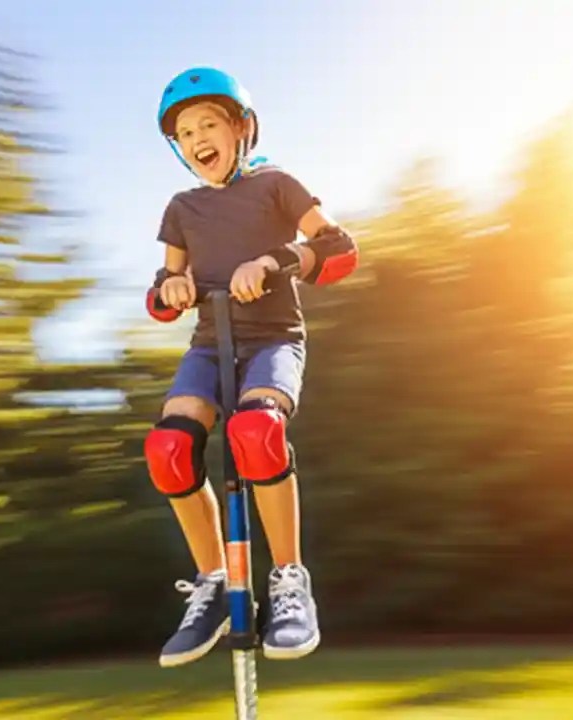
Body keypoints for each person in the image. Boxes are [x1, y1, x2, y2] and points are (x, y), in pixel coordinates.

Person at [142, 67, 358, 667]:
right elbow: (160, 291)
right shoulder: (181, 208)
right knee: (168, 449)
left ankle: (289, 582)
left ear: (242, 128)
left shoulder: (278, 185)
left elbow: (340, 249)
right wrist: (175, 286)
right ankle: (213, 585)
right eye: (184, 132)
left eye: (209, 123)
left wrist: (272, 260)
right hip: (210, 347)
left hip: (272, 340)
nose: (197, 138)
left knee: (255, 432)